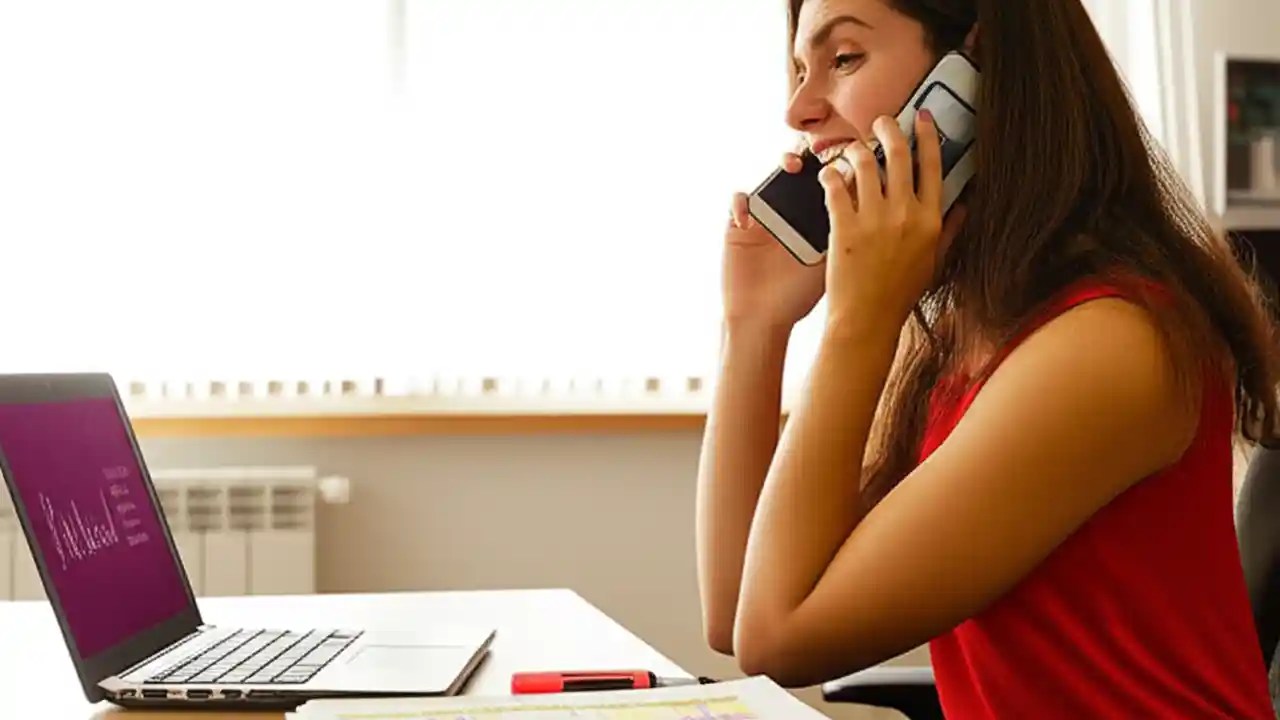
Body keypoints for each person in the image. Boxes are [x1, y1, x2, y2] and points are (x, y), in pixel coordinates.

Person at [694, 0, 1280, 717]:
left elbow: (777, 641)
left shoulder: (1113, 342)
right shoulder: (948, 326)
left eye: (843, 59)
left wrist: (859, 318)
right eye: (798, 68)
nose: (800, 108)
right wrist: (751, 325)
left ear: (973, 74)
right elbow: (734, 612)